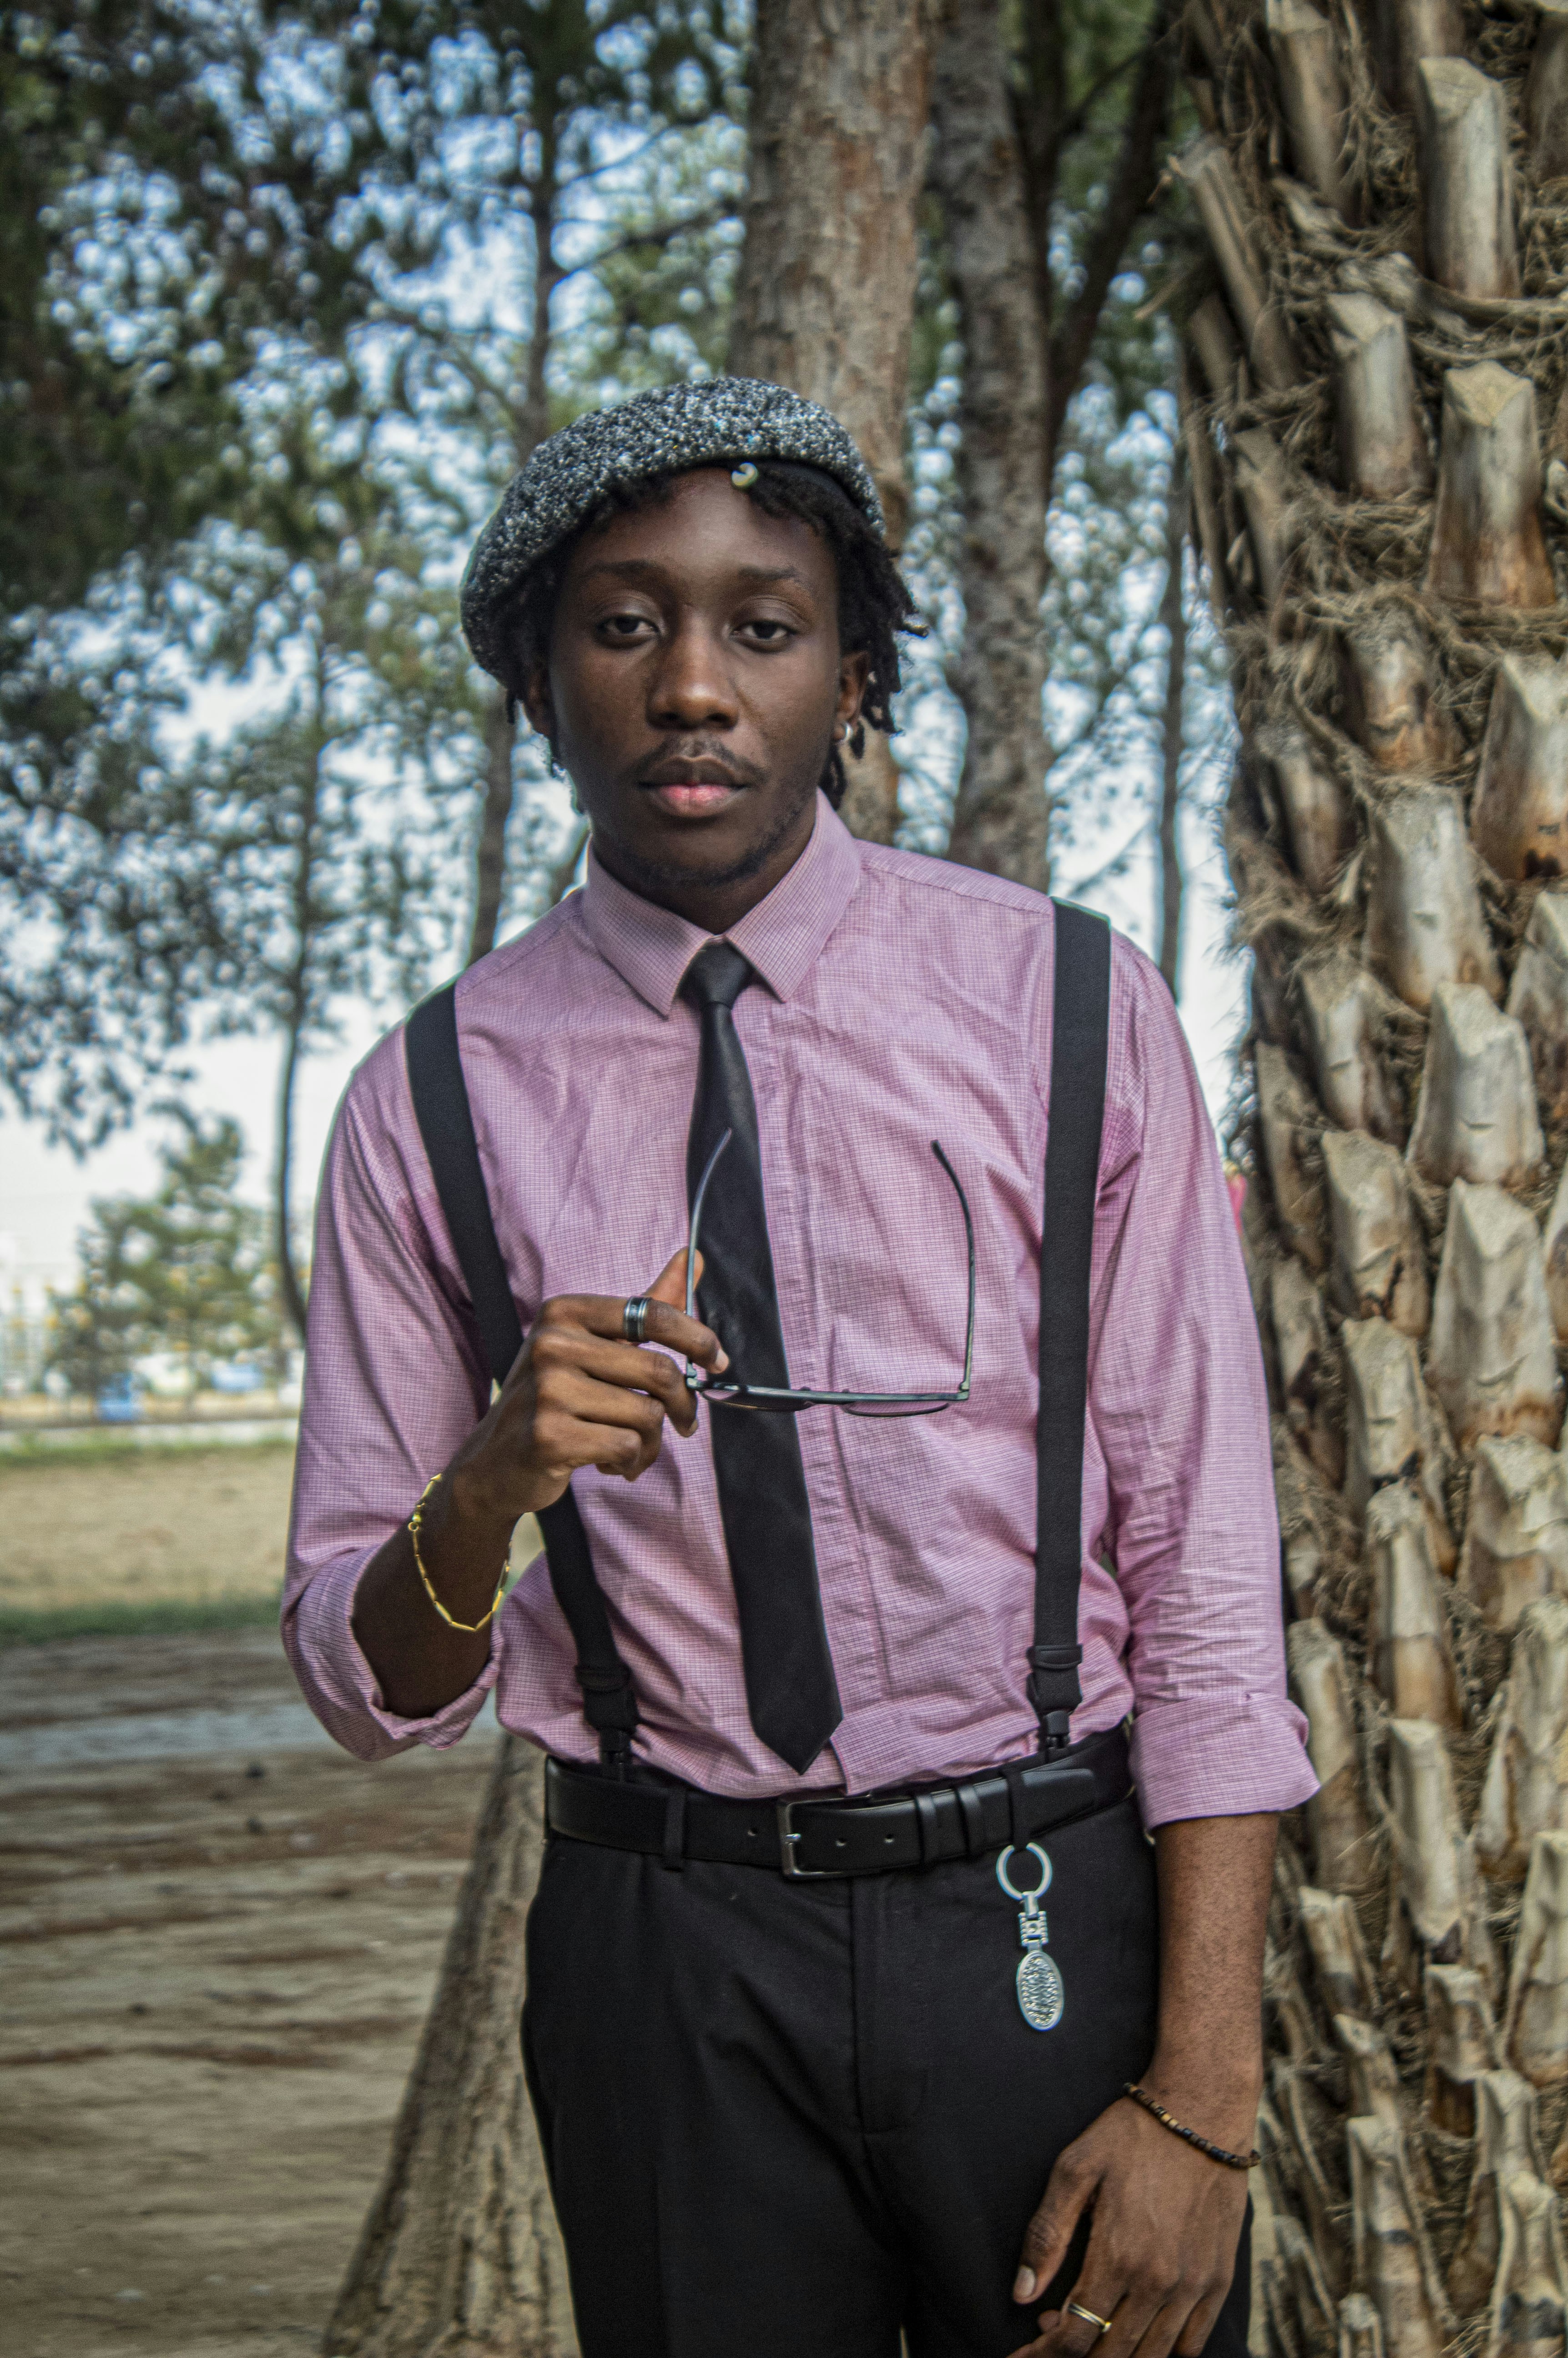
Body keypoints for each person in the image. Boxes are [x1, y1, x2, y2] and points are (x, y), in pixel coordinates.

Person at [283, 376, 1316, 2358]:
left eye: (763, 624)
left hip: (1046, 1921)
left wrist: (1200, 2092)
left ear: (852, 679)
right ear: (536, 678)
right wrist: (495, 1474)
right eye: (621, 621)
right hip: (664, 1961)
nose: (691, 682)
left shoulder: (1069, 1004)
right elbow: (366, 1679)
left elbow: (1202, 1574)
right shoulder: (430, 1099)